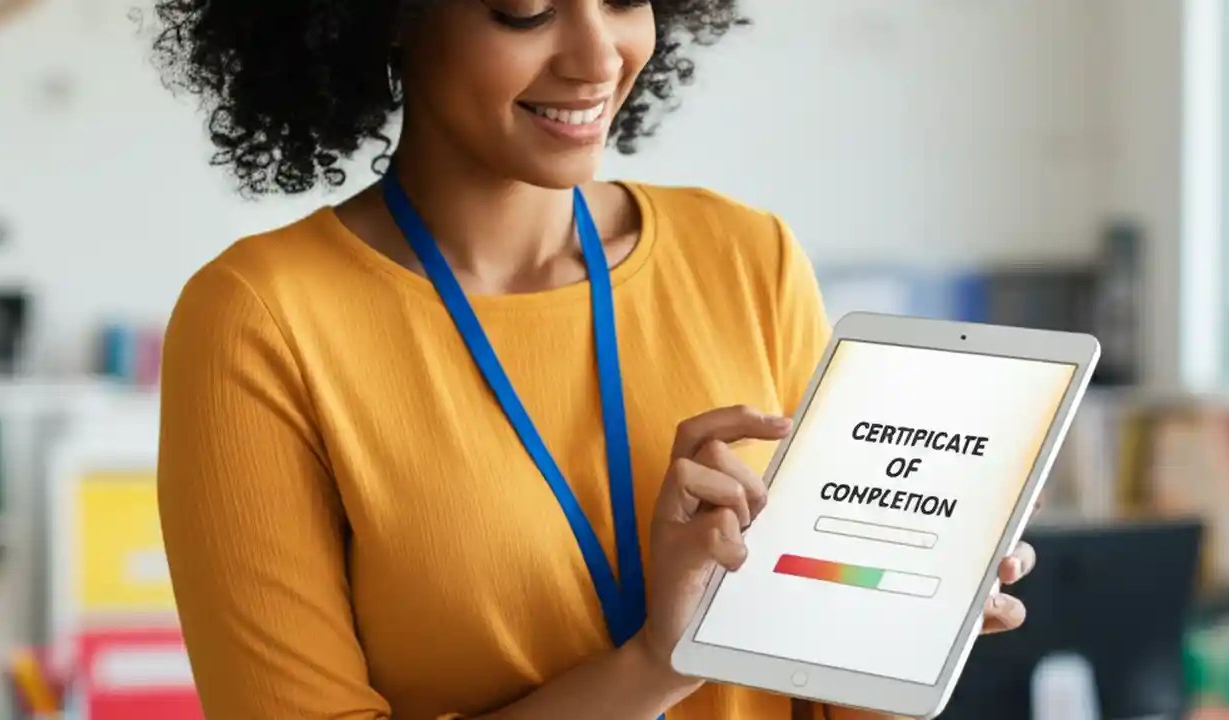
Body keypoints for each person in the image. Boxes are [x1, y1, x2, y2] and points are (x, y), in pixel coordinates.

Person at [152, 1, 1037, 718]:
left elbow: (821, 691)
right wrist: (659, 662)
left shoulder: (745, 255)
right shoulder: (261, 319)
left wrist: (910, 612)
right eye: (524, 12)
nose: (597, 56)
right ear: (389, 17)